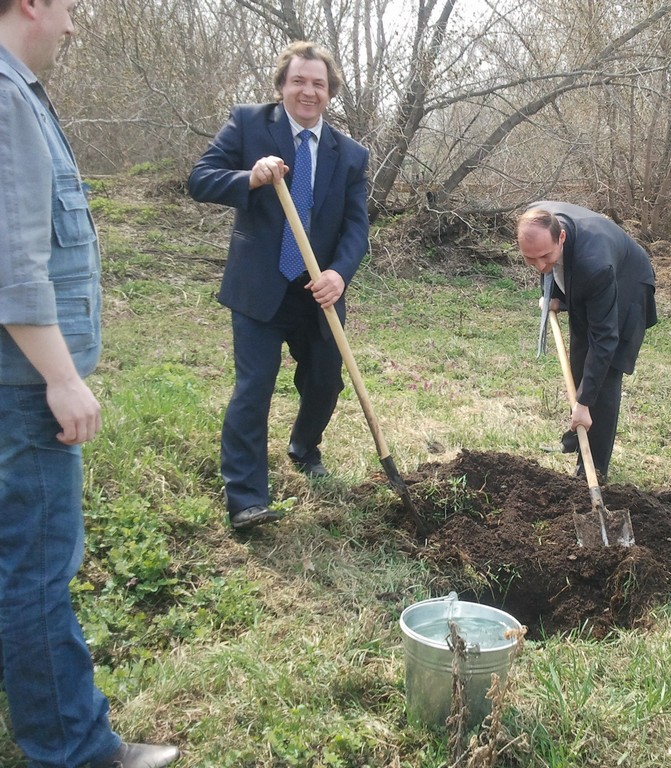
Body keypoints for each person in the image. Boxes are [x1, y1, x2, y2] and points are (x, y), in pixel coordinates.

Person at [0, 1, 180, 766]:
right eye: (69, 7)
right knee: (38, 567)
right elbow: (13, 263)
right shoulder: (6, 98)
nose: (74, 27)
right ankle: (71, 748)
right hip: (23, 385)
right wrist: (61, 378)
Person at [189, 41, 370, 531]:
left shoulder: (350, 155)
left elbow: (356, 228)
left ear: (330, 92)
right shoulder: (249, 124)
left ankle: (303, 447)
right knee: (254, 388)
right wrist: (250, 177)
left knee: (325, 380)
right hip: (259, 289)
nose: (308, 91)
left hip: (318, 291)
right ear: (282, 86)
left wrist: (339, 273)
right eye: (298, 81)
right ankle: (246, 498)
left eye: (318, 84)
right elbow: (200, 179)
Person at [516, 202, 657, 479]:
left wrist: (584, 403)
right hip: (592, 278)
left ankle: (594, 468)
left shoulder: (595, 266)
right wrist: (558, 297)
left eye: (545, 256)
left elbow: (605, 340)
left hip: (628, 283)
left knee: (605, 376)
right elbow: (551, 265)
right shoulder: (537, 218)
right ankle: (577, 436)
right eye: (530, 259)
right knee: (580, 361)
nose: (540, 266)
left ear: (562, 237)